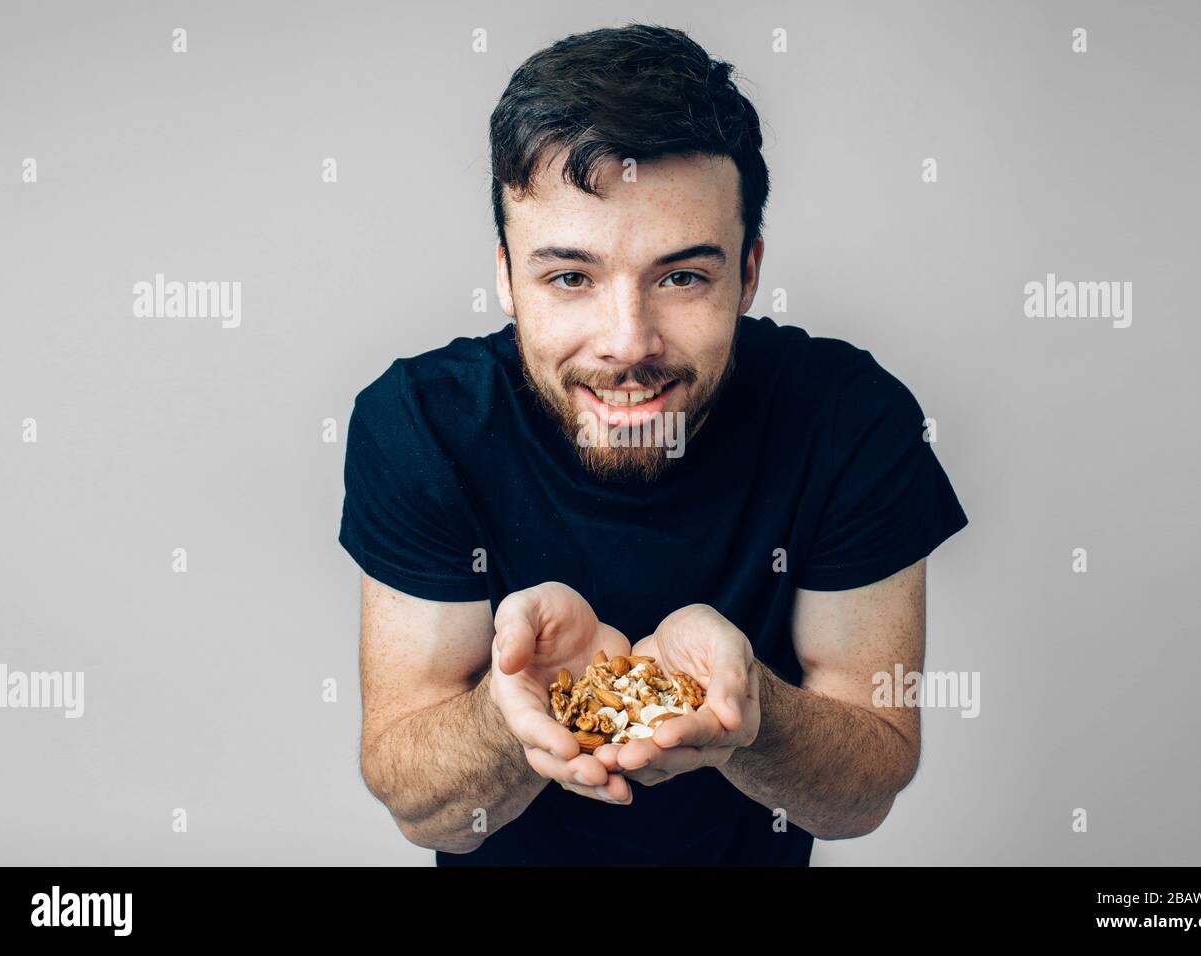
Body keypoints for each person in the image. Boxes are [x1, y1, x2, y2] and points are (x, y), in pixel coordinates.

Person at [338, 23, 969, 865]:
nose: (627, 343)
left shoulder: (851, 422)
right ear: (504, 275)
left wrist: (755, 714)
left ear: (748, 272)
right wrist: (508, 713)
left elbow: (863, 794)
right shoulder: (419, 426)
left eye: (681, 277)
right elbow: (422, 810)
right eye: (570, 277)